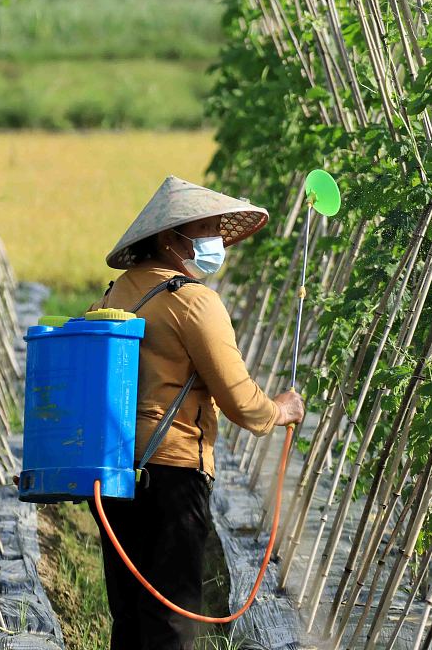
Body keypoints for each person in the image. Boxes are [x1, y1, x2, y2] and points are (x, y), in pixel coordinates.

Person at [87, 175, 305, 650]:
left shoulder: (115, 293)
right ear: (171, 237)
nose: (216, 241)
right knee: (171, 619)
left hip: (113, 469)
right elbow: (240, 401)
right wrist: (280, 410)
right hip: (172, 474)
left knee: (130, 615)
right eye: (207, 229)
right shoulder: (193, 301)